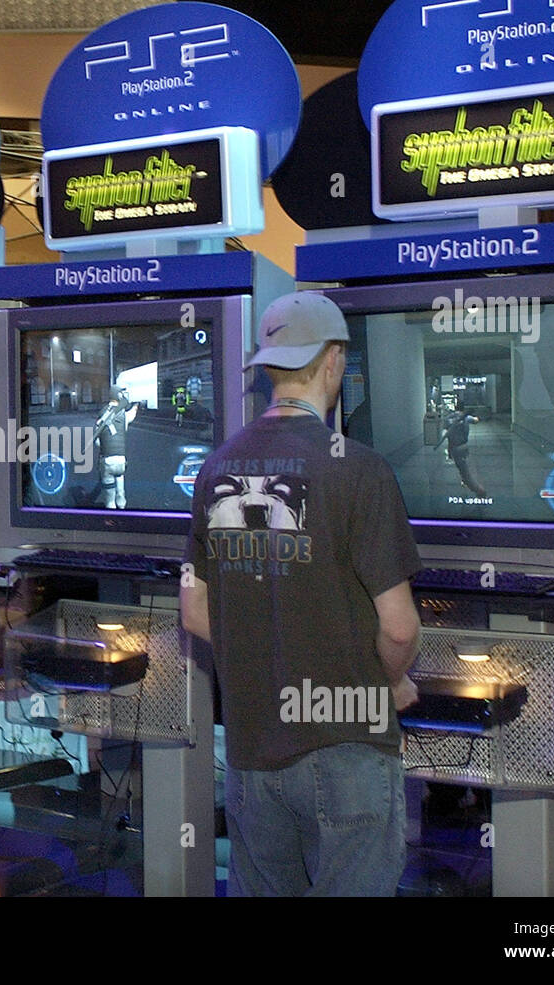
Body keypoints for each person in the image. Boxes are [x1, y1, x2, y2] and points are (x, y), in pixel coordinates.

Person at [181, 292, 422, 897]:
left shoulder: (217, 468)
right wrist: (391, 682)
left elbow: (194, 609)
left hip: (251, 745)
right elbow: (398, 627)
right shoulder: (359, 469)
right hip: (349, 738)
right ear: (334, 360)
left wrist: (265, 647)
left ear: (268, 367)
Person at [94, 387, 138, 508]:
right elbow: (133, 413)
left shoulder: (102, 414)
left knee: (110, 499)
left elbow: (97, 442)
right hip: (121, 461)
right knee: (120, 490)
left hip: (107, 460)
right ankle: (122, 512)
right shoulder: (123, 414)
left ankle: (111, 521)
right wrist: (136, 403)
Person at [436, 400, 487, 498]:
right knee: (464, 469)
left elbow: (444, 426)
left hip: (453, 447)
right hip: (463, 446)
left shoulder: (449, 418)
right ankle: (479, 490)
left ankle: (478, 490)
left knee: (463, 469)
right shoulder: (466, 417)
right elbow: (476, 420)